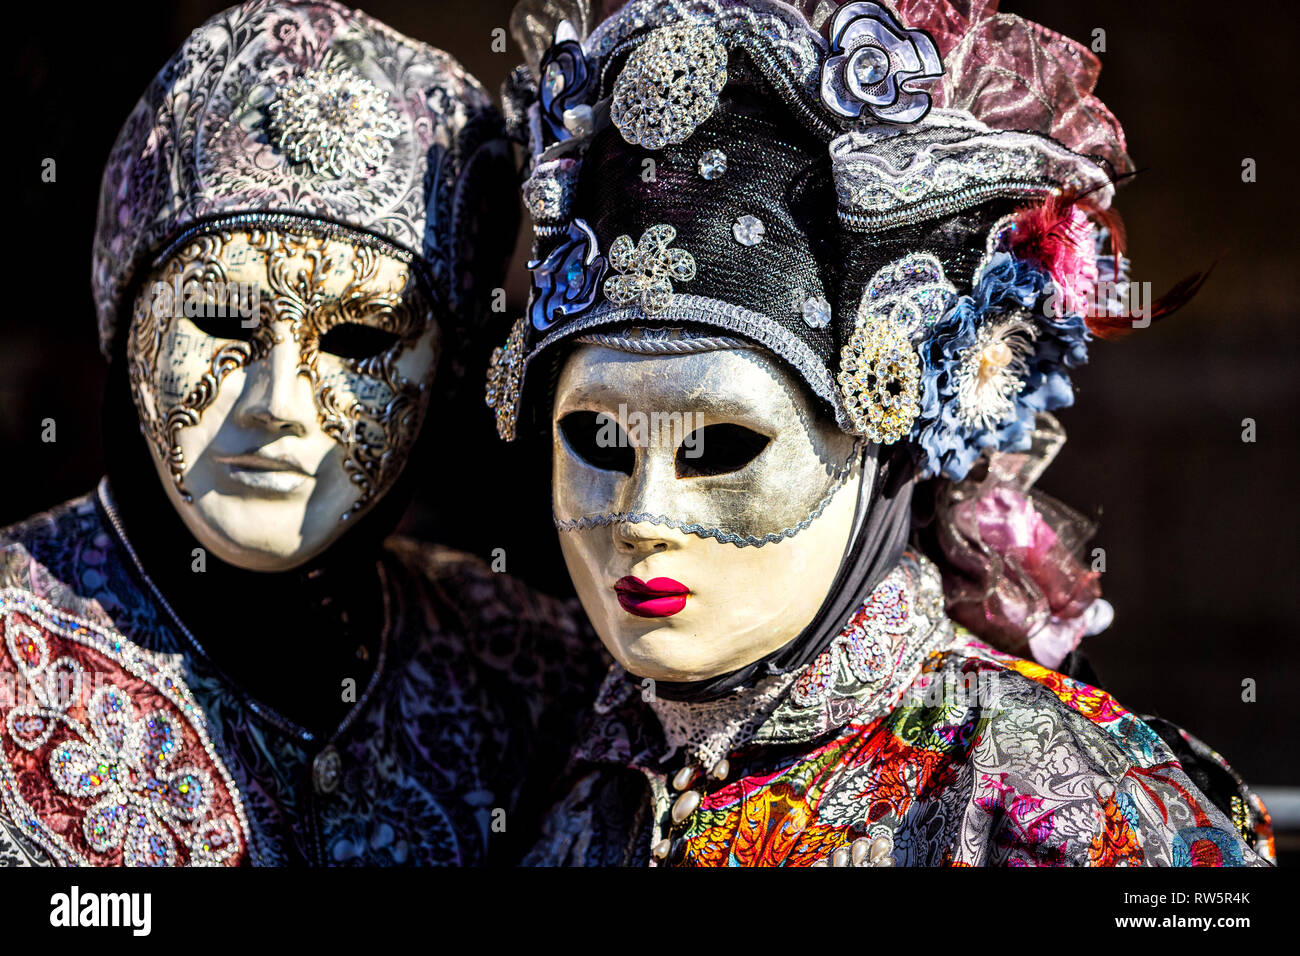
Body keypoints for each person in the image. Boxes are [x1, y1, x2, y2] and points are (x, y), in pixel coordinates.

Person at [486, 0, 1275, 866]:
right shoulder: (573, 758)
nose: (642, 515)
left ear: (883, 444)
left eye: (719, 445)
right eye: (597, 438)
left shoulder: (1057, 801)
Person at [0, 0, 602, 867]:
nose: (280, 402)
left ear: (449, 371)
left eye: (359, 342)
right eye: (219, 321)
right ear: (126, 320)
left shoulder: (535, 676)